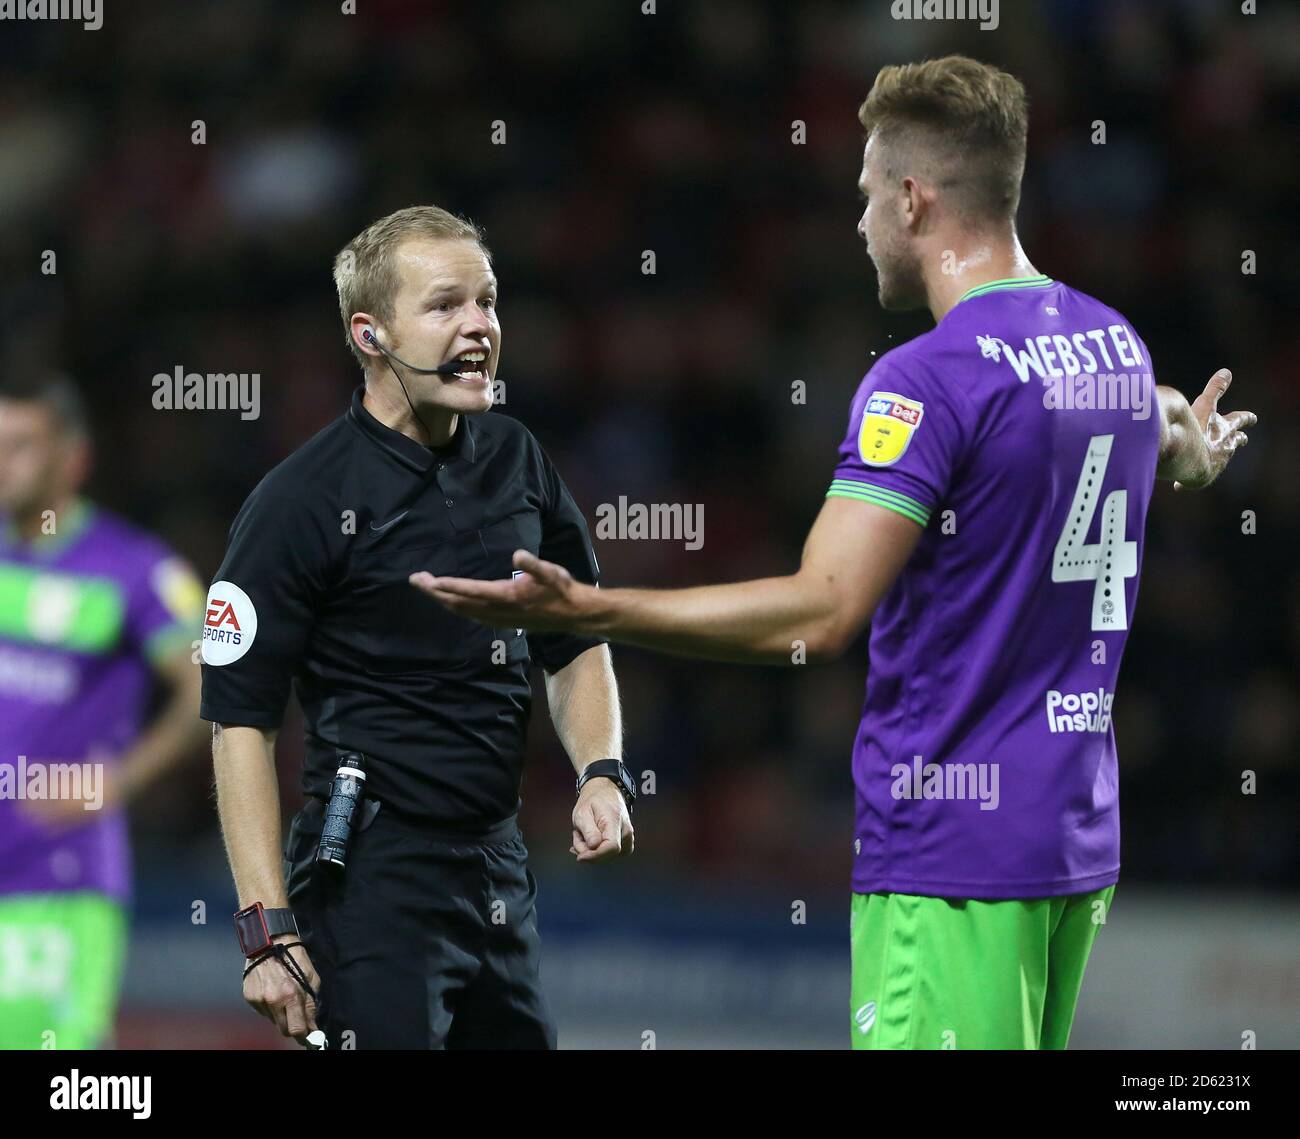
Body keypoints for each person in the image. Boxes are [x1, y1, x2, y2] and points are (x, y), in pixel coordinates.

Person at [410, 56, 1257, 1050]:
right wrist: (1185, 450)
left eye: (864, 196)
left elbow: (822, 610)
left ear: (912, 198)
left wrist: (590, 611)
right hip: (1071, 841)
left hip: (950, 858)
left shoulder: (924, 381)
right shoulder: (1113, 345)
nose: (858, 223)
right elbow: (1140, 419)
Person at [201, 205, 634, 1050]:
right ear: (370, 333)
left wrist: (603, 770)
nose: (479, 324)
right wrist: (266, 930)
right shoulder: (299, 502)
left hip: (500, 867)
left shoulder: (518, 458)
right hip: (369, 878)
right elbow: (239, 723)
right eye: (445, 305)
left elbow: (576, 637)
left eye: (488, 301)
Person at [0, 370, 206, 1049]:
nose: (4, 462)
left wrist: (118, 780)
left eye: (22, 445)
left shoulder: (133, 568)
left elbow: (209, 687)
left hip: (57, 879)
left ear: (73, 458)